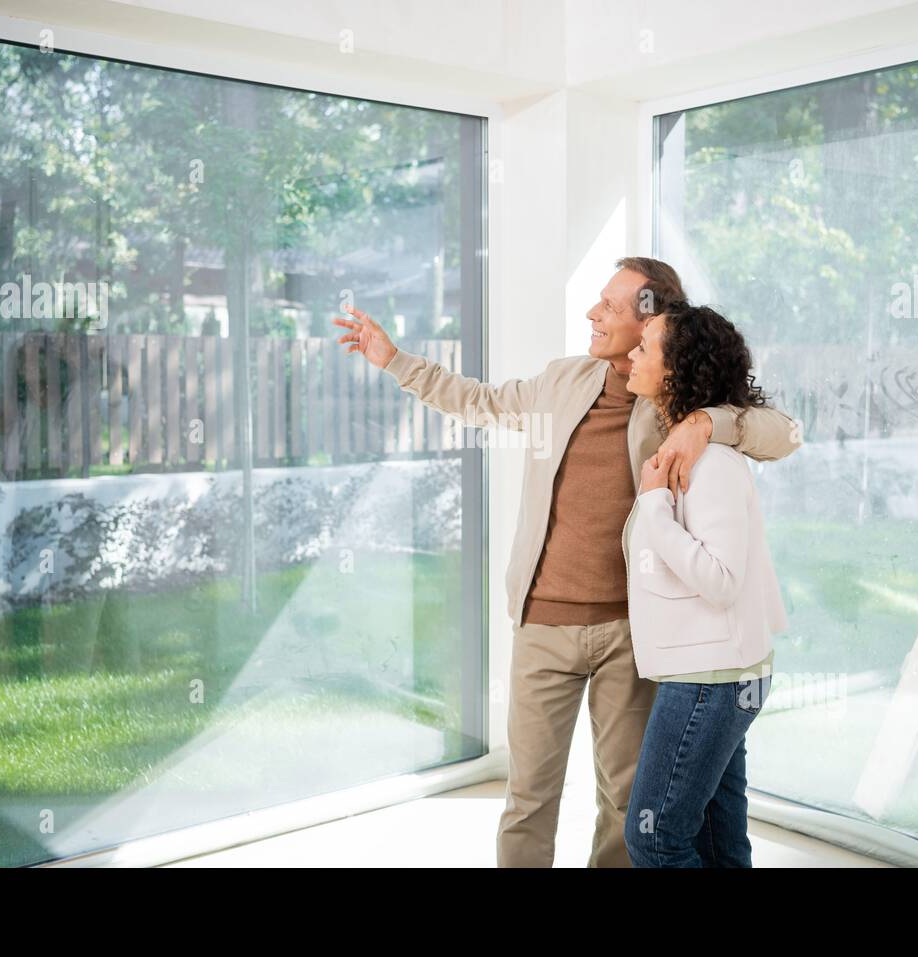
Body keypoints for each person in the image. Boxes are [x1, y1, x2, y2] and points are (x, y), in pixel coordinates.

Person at [332, 257, 800, 867]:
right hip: (542, 624)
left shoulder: (673, 406)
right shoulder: (561, 381)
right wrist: (395, 361)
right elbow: (480, 402)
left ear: (652, 320)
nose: (592, 314)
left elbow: (783, 433)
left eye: (608, 305)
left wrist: (709, 422)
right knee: (527, 796)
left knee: (626, 799)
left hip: (629, 633)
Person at [620, 303, 788, 867]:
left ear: (676, 369)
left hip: (710, 680)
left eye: (644, 348)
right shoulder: (687, 450)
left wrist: (653, 507)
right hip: (717, 674)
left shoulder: (710, 462)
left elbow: (720, 581)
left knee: (655, 837)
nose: (630, 354)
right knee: (718, 841)